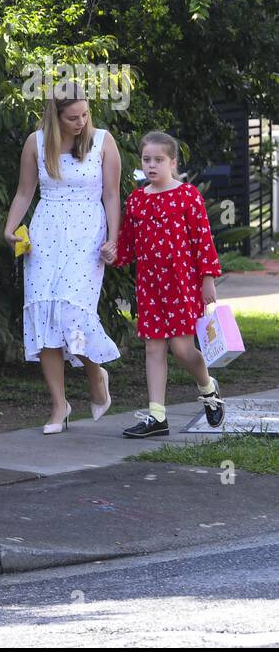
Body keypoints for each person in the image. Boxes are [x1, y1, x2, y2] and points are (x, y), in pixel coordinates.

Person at [2, 86, 122, 433]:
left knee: (73, 311)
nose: (81, 123)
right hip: (46, 232)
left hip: (88, 232)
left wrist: (113, 239)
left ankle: (95, 373)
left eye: (85, 115)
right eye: (72, 118)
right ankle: (59, 405)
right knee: (43, 311)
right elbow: (25, 192)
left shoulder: (102, 141)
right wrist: (11, 229)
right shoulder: (36, 143)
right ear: (55, 117)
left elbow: (112, 194)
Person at [110, 131, 225, 437]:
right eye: (146, 159)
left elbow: (203, 241)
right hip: (150, 287)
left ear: (172, 162)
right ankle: (157, 416)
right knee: (153, 348)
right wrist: (111, 252)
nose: (151, 165)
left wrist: (208, 280)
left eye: (158, 160)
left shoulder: (187, 196)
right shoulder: (136, 200)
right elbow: (127, 246)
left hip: (182, 285)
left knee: (182, 349)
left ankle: (208, 388)